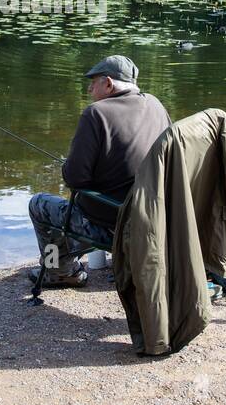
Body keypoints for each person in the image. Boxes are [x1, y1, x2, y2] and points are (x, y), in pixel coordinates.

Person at [27, 55, 171, 287]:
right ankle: (69, 261)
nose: (89, 88)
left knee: (39, 205)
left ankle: (58, 271)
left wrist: (67, 166)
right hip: (158, 218)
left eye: (93, 82)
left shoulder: (96, 113)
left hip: (113, 225)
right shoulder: (156, 104)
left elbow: (75, 179)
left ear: (108, 84)